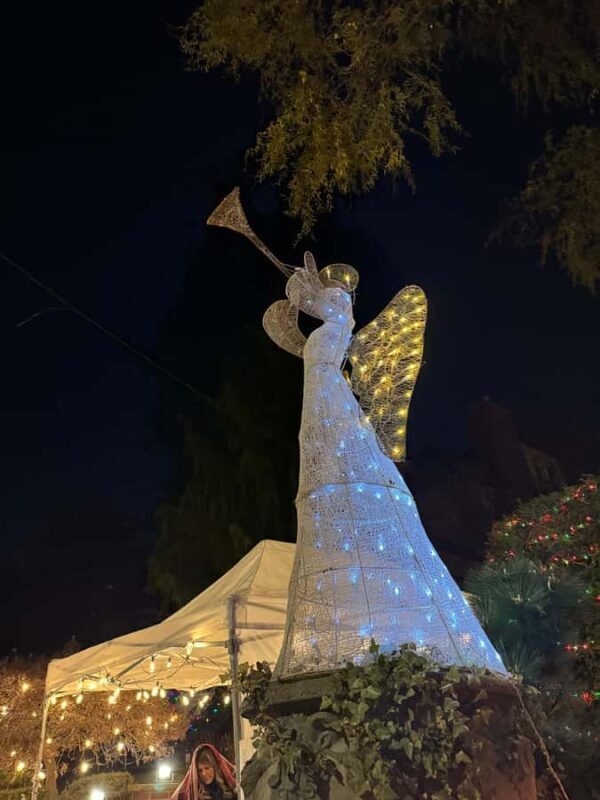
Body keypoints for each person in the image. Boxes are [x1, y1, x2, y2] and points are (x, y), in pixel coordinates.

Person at [170, 744, 237, 800]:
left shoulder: (230, 788)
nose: (204, 773)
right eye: (200, 770)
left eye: (207, 768)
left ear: (215, 767)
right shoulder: (193, 794)